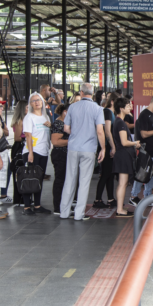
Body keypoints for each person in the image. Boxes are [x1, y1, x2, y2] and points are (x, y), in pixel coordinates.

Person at [59, 82, 106, 221]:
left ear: (81, 93)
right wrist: (103, 148)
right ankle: (79, 214)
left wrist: (77, 133)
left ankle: (64, 212)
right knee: (84, 182)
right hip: (89, 148)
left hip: (73, 147)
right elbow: (99, 131)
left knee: (70, 179)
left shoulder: (72, 107)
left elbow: (66, 129)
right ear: (92, 93)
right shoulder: (98, 109)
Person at [129, 93, 153, 205]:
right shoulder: (144, 115)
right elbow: (144, 134)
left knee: (152, 175)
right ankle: (134, 195)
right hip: (148, 151)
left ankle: (147, 196)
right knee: (142, 174)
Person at [22, 92, 52, 215]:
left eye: (38, 100)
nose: (37, 102)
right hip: (32, 152)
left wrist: (50, 126)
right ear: (30, 104)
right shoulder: (29, 117)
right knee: (29, 179)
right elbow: (28, 135)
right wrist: (30, 153)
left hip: (43, 152)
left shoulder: (46, 117)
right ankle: (27, 206)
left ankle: (38, 205)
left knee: (39, 179)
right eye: (34, 100)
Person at [112, 98, 141, 217]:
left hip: (122, 155)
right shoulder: (121, 123)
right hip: (123, 155)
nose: (130, 107)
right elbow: (124, 142)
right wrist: (135, 143)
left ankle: (120, 207)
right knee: (123, 183)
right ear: (121, 108)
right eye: (128, 106)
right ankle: (120, 209)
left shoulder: (118, 122)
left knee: (122, 183)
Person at [94, 94, 117, 208]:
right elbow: (107, 131)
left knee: (110, 174)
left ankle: (110, 198)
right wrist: (112, 147)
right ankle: (97, 199)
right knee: (106, 174)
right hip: (106, 146)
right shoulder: (107, 112)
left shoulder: (111, 113)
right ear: (112, 102)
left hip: (108, 146)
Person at [50, 104, 69, 214]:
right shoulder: (58, 123)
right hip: (60, 155)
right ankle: (57, 206)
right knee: (60, 180)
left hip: (65, 155)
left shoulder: (66, 123)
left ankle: (63, 204)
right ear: (65, 112)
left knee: (65, 181)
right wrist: (72, 141)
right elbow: (56, 142)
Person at [9, 99, 28, 206]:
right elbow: (17, 138)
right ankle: (18, 198)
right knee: (19, 173)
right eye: (26, 107)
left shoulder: (24, 119)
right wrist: (28, 137)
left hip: (22, 147)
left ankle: (21, 197)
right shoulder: (20, 121)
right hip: (19, 148)